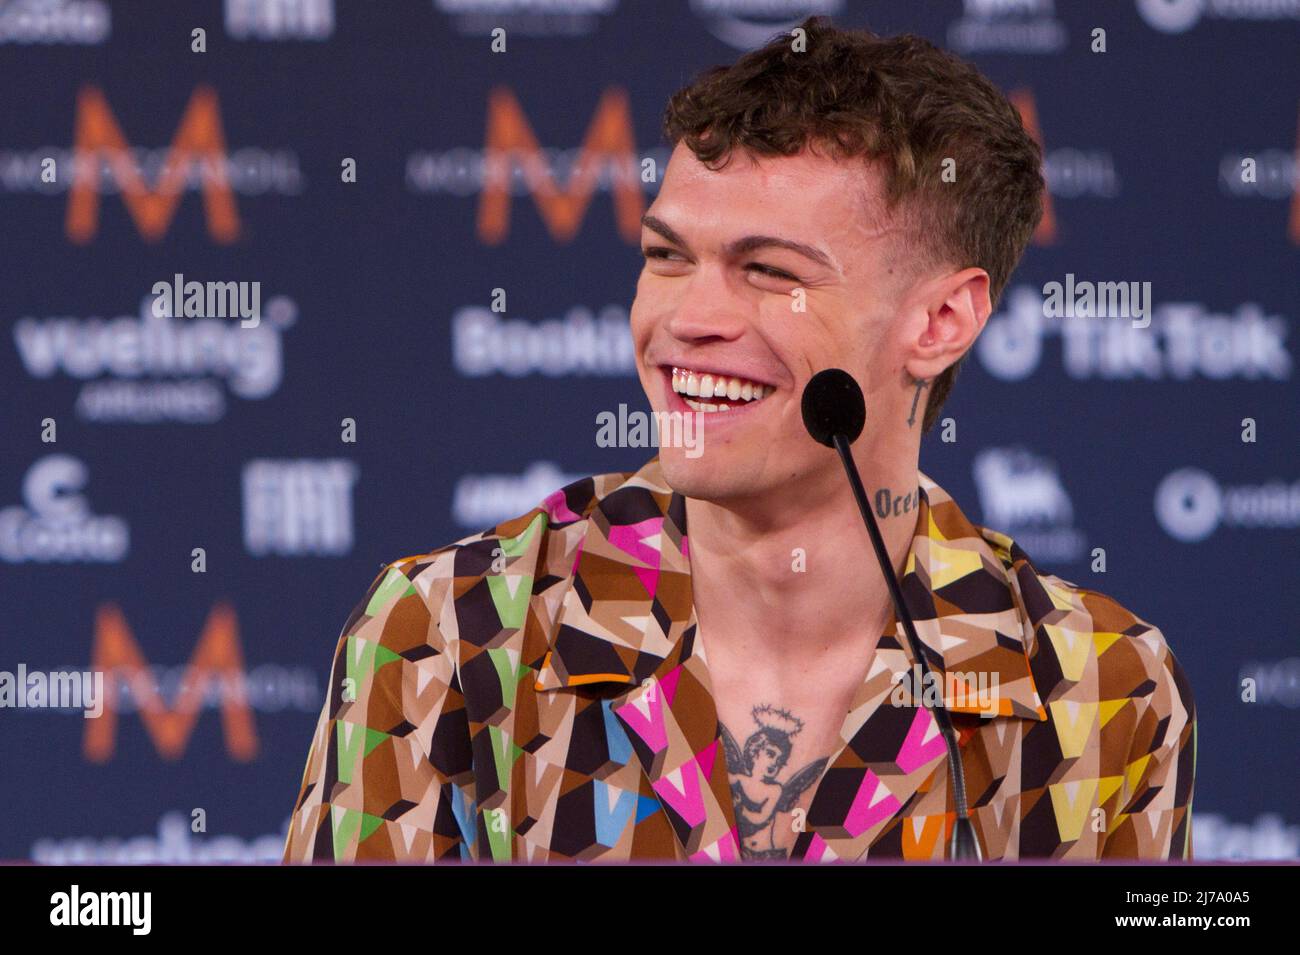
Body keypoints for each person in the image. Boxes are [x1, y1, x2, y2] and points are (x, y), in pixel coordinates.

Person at [283, 16, 1195, 863]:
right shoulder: (449, 635)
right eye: (667, 256)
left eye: (768, 271)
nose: (688, 319)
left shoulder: (1101, 689)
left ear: (942, 319)